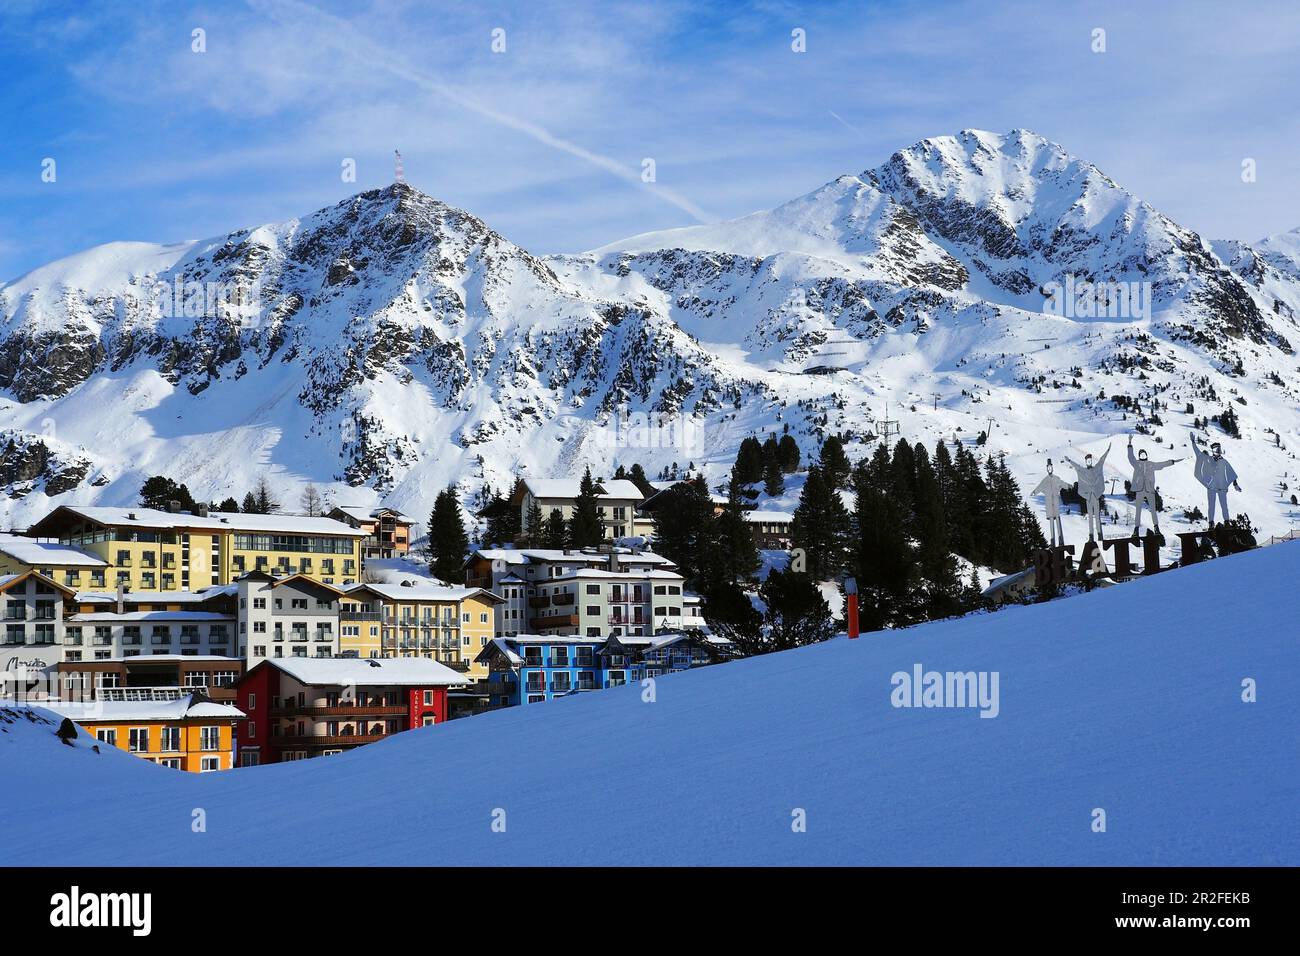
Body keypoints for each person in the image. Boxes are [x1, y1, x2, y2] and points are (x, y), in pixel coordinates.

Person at [1127, 436, 1180, 537]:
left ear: (1146, 455)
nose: (1142, 455)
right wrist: (1129, 444)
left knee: (1153, 509)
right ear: (1139, 456)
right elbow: (1130, 457)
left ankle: (1156, 528)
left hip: (1150, 489)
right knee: (1138, 509)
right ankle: (1136, 530)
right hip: (1139, 489)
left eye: (1144, 454)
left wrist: (1172, 462)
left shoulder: (1151, 464)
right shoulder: (1136, 464)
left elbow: (1161, 464)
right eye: (1141, 454)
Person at [1191, 431, 1241, 525]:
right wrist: (1193, 442)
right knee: (1211, 505)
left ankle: (1226, 522)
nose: (1218, 450)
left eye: (1219, 448)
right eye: (1216, 449)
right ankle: (1211, 523)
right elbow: (1198, 453)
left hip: (1222, 486)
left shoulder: (1224, 461)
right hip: (1211, 486)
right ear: (1213, 450)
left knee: (1224, 505)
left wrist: (1235, 484)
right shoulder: (1208, 459)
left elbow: (1231, 472)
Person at [1064, 444, 1110, 541]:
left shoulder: (1096, 468)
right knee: (1090, 516)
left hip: (1095, 496)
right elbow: (1076, 466)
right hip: (1088, 497)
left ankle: (1099, 534)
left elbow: (1102, 460)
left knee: (1097, 515)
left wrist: (1107, 451)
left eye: (1090, 460)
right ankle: (1091, 535)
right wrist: (1069, 461)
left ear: (1091, 461)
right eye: (1087, 461)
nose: (1089, 462)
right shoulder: (1083, 470)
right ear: (1086, 462)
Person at [1031, 459, 1070, 547]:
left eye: (1050, 467)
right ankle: (1053, 541)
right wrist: (1034, 492)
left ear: (1052, 468)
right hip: (1049, 503)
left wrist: (1068, 486)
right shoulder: (1045, 480)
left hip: (1055, 502)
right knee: (1051, 521)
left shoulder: (1056, 478)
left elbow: (1063, 483)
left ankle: (1061, 540)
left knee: (1057, 518)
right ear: (1047, 469)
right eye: (1048, 468)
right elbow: (1040, 487)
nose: (1049, 469)